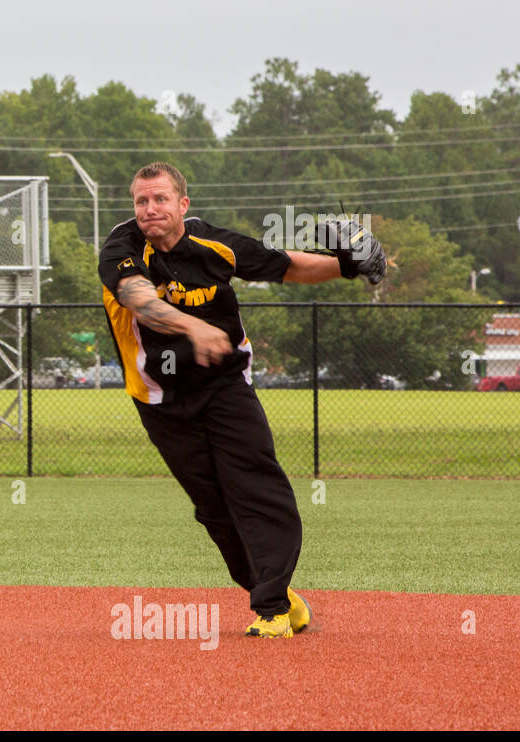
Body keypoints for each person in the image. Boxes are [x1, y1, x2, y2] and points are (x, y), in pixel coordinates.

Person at [97, 162, 386, 638]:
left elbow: (286, 266)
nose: (150, 209)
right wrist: (193, 327)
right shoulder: (122, 247)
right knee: (211, 508)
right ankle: (275, 593)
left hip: (224, 383)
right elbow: (135, 296)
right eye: (141, 201)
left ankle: (270, 607)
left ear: (182, 205)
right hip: (159, 398)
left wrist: (346, 266)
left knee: (254, 486)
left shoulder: (213, 245)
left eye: (160, 199)